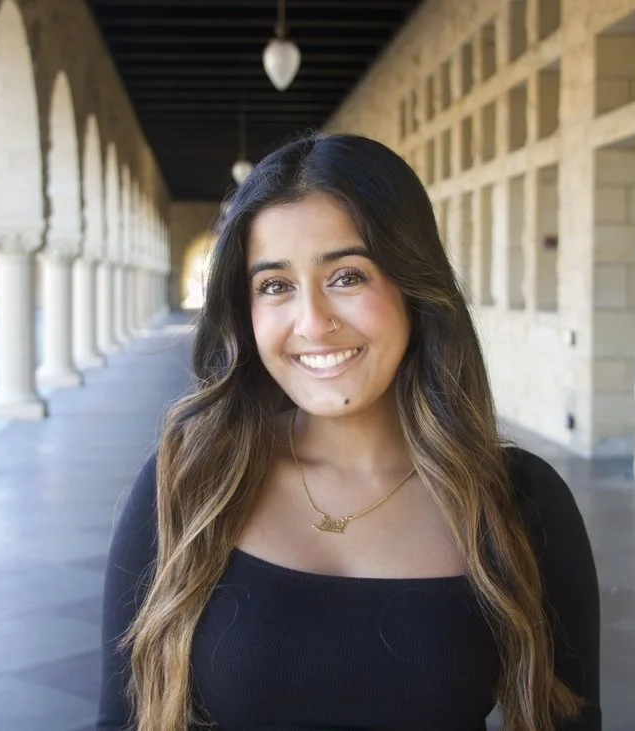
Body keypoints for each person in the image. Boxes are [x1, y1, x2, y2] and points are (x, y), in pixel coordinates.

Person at [97, 133, 600, 731]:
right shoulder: (188, 482)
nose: (313, 323)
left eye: (347, 276)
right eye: (276, 286)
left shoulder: (520, 501)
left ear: (414, 286)